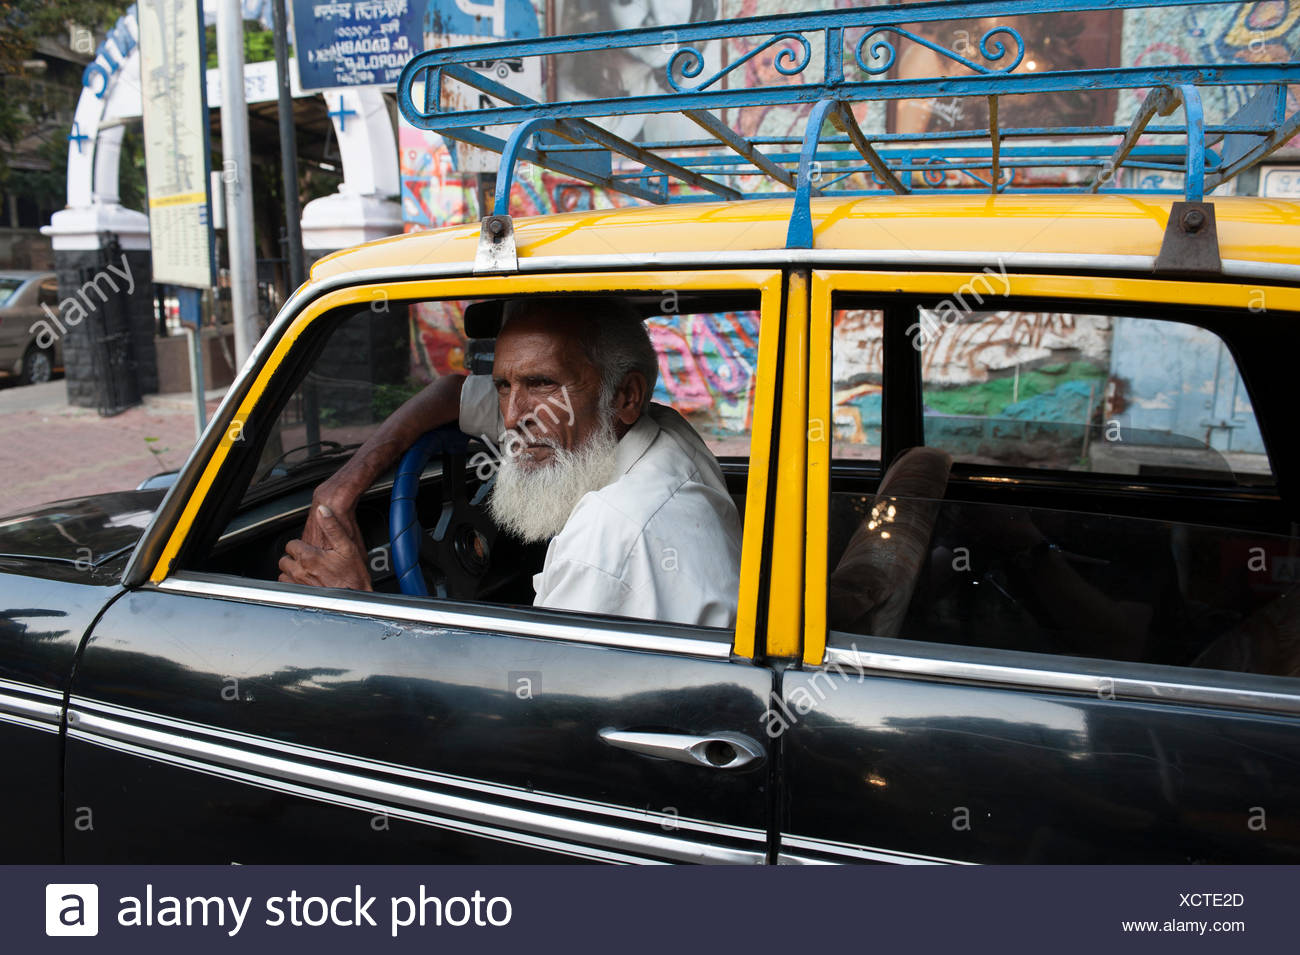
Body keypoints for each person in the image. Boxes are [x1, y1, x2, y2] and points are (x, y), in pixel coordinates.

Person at [277, 296, 742, 628]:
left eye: (541, 383)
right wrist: (342, 485)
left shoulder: (608, 535)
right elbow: (450, 392)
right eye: (503, 385)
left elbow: (529, 717)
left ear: (625, 394)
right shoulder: (654, 427)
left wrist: (360, 608)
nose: (515, 417)